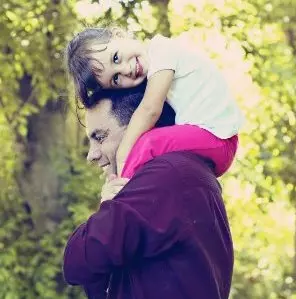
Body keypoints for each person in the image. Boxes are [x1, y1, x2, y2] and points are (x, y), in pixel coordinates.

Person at [63, 87, 234, 299]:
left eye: (100, 137)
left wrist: (107, 209)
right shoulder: (180, 172)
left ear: (140, 125)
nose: (92, 155)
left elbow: (77, 260)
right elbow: (99, 281)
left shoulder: (166, 175)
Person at [65, 27, 243, 177]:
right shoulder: (152, 68)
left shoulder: (161, 50)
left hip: (217, 140)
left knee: (147, 143)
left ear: (118, 34)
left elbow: (150, 110)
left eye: (116, 58)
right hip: (210, 141)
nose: (126, 69)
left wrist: (122, 156)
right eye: (116, 79)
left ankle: (121, 190)